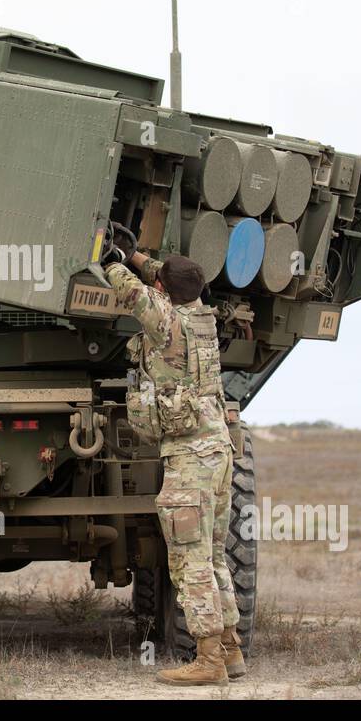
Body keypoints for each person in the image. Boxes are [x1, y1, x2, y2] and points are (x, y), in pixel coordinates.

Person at [103, 229, 241, 685]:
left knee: (188, 558)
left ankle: (208, 661)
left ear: (163, 290)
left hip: (189, 456)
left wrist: (112, 257)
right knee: (215, 555)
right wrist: (141, 258)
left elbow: (129, 289)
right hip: (219, 449)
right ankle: (231, 650)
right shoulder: (204, 317)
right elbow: (164, 280)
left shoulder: (165, 320)